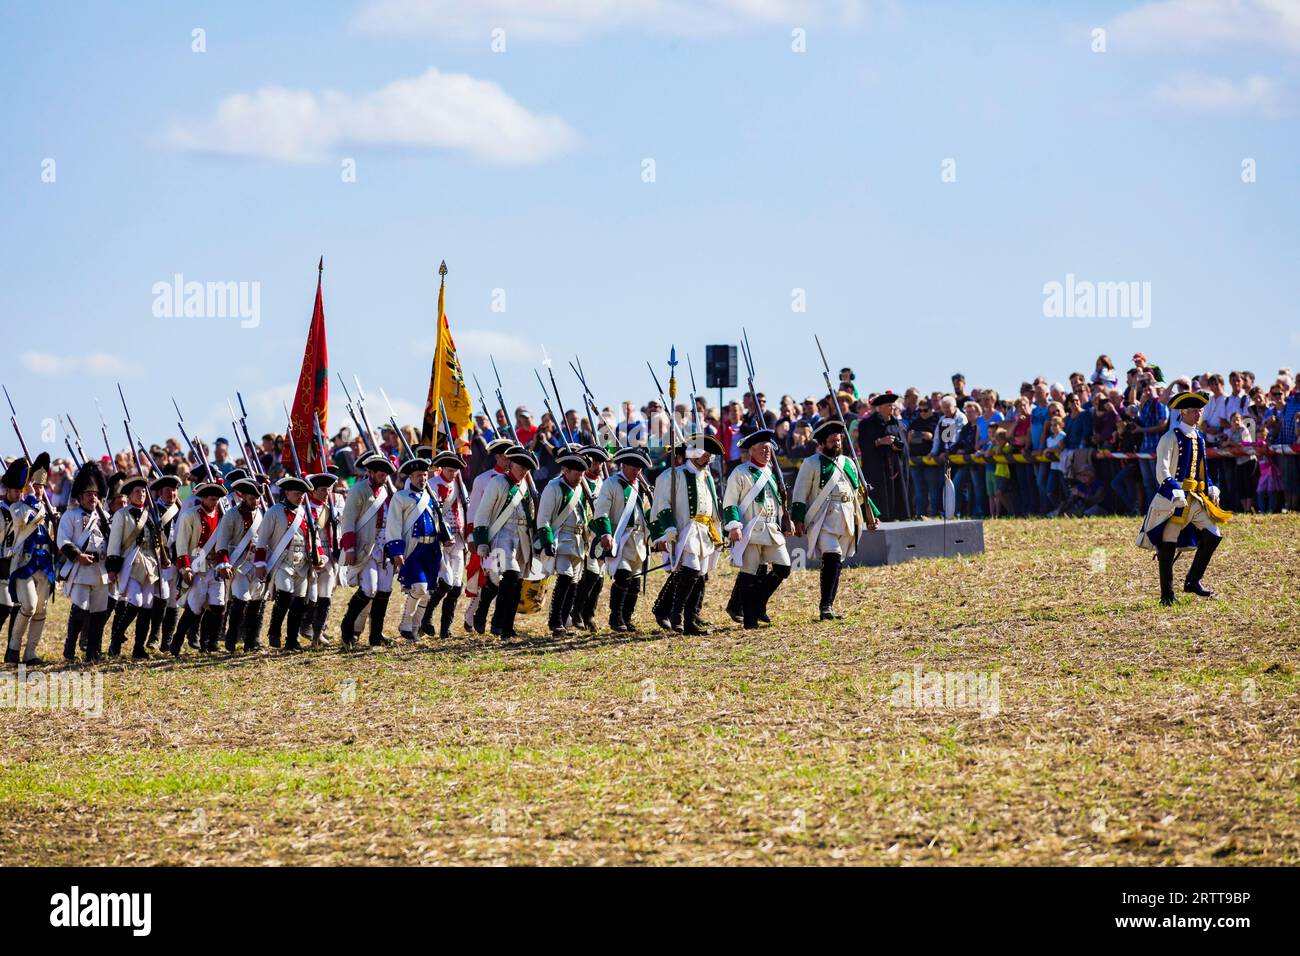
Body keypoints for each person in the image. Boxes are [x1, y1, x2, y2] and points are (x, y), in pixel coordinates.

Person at [1136, 389, 1231, 606]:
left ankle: (1192, 581)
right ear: (1183, 412)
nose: (1199, 414)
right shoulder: (1169, 438)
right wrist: (1172, 490)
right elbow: (1162, 470)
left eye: (1200, 410)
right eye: (1194, 410)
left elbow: (1202, 471)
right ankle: (1166, 595)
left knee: (1213, 534)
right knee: (1167, 545)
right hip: (1173, 499)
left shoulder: (1199, 437)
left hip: (1194, 498)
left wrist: (1211, 487)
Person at [791, 421, 878, 620]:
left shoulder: (849, 463)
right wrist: (797, 520)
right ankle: (826, 607)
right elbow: (800, 493)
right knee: (832, 556)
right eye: (832, 441)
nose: (836, 444)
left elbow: (859, 492)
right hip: (823, 518)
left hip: (846, 516)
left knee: (837, 561)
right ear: (822, 443)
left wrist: (870, 513)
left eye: (838, 440)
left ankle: (828, 604)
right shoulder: (811, 463)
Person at [651, 434, 725, 635]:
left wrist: (717, 530)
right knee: (690, 572)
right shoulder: (672, 475)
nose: (709, 458)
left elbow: (712, 505)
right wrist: (668, 528)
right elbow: (661, 504)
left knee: (699, 575)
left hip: (704, 531)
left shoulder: (707, 476)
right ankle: (676, 615)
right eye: (705, 453)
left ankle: (690, 620)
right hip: (685, 530)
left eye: (711, 455)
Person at [722, 430, 792, 629]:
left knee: (783, 567)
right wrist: (734, 526)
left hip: (771, 528)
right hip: (750, 530)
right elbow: (730, 503)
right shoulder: (741, 472)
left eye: (768, 447)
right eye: (762, 447)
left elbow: (778, 501)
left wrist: (786, 519)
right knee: (749, 575)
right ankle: (750, 620)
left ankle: (757, 604)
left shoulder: (771, 471)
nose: (766, 451)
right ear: (752, 450)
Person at [472, 446, 540, 640]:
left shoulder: (526, 487)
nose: (523, 470)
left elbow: (531, 514)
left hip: (521, 538)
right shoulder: (498, 483)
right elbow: (483, 513)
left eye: (527, 468)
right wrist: (482, 542)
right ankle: (496, 622)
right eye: (520, 465)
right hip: (501, 535)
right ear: (511, 463)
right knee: (508, 577)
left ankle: (507, 627)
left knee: (515, 584)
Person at [338, 452, 398, 648]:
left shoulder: (388, 492)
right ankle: (347, 628)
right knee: (369, 589)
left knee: (384, 590)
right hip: (366, 547)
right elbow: (348, 520)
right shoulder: (359, 490)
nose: (384, 475)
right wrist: (349, 547)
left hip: (385, 548)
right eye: (381, 471)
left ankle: (376, 635)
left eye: (387, 472)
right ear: (370, 472)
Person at [590, 446, 653, 632]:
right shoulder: (611, 484)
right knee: (622, 576)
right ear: (624, 465)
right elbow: (601, 512)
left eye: (639, 468)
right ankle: (615, 618)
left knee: (634, 582)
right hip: (620, 538)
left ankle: (627, 617)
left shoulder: (640, 486)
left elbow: (647, 513)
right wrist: (606, 533)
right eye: (634, 468)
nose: (637, 471)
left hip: (638, 539)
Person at [387, 457, 449, 643]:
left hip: (432, 549)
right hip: (414, 549)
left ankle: (415, 628)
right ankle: (405, 623)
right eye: (417, 475)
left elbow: (437, 522)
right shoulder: (401, 497)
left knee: (427, 592)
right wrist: (396, 550)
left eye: (424, 475)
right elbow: (394, 525)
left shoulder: (431, 498)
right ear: (410, 478)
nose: (422, 478)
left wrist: (445, 537)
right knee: (419, 588)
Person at [105, 476, 167, 659]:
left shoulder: (150, 514)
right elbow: (114, 543)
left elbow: (157, 542)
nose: (141, 495)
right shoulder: (121, 515)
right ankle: (117, 636)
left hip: (150, 565)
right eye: (137, 492)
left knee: (147, 605)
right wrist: (113, 568)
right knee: (136, 601)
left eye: (143, 491)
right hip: (130, 564)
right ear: (130, 495)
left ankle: (138, 648)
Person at [57, 462, 112, 662]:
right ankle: (70, 647)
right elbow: (62, 540)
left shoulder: (105, 517)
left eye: (95, 494)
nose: (92, 497)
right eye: (88, 493)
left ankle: (93, 651)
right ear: (80, 496)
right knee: (80, 610)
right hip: (81, 569)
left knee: (98, 613)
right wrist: (78, 556)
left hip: (100, 569)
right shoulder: (70, 516)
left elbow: (113, 543)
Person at [3, 454, 55, 665]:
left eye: (41, 487)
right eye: (34, 486)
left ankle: (30, 653)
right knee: (29, 606)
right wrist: (32, 498)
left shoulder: (45, 507)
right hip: (24, 564)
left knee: (41, 610)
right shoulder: (18, 507)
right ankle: (13, 648)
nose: (39, 490)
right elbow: (23, 520)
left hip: (44, 564)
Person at [535, 449, 593, 637]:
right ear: (566, 471)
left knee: (574, 583)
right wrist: (547, 540)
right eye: (576, 474)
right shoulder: (553, 487)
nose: (579, 478)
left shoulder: (580, 488)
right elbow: (543, 518)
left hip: (578, 541)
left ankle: (564, 622)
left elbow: (585, 515)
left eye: (581, 475)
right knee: (565, 577)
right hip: (561, 539)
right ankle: (555, 621)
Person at [170, 479, 227, 655]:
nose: (215, 502)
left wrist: (224, 563)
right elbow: (181, 545)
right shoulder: (190, 515)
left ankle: (209, 643)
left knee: (218, 606)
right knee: (194, 608)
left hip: (215, 567)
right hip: (197, 567)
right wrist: (185, 568)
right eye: (211, 498)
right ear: (203, 498)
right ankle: (176, 642)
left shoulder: (221, 516)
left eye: (217, 499)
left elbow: (224, 543)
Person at [417, 450, 469, 640]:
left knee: (456, 587)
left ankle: (445, 629)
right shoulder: (431, 485)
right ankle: (426, 618)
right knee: (445, 583)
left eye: (455, 470)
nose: (453, 473)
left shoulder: (459, 486)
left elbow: (465, 509)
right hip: (439, 540)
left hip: (458, 538)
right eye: (449, 470)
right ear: (441, 469)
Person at [302, 473, 342, 647]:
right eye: (323, 489)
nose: (327, 492)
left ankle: (319, 633)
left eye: (329, 488)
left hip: (329, 553)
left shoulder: (330, 507)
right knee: (311, 595)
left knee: (326, 595)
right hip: (313, 554)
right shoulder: (307, 509)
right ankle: (305, 627)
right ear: (314, 490)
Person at [571, 446, 610, 631]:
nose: (598, 466)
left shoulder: (604, 483)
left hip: (600, 534)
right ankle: (577, 612)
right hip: (584, 534)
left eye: (600, 462)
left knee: (599, 579)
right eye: (594, 462)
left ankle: (589, 613)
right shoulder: (579, 482)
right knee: (589, 576)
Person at [857, 392, 910, 522]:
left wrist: (897, 447)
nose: (891, 408)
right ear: (879, 407)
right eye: (888, 405)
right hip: (877, 467)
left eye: (892, 405)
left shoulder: (898, 424)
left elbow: (905, 446)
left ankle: (897, 515)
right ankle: (877, 517)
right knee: (879, 494)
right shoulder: (867, 424)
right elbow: (863, 445)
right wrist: (880, 442)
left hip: (895, 466)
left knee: (897, 492)